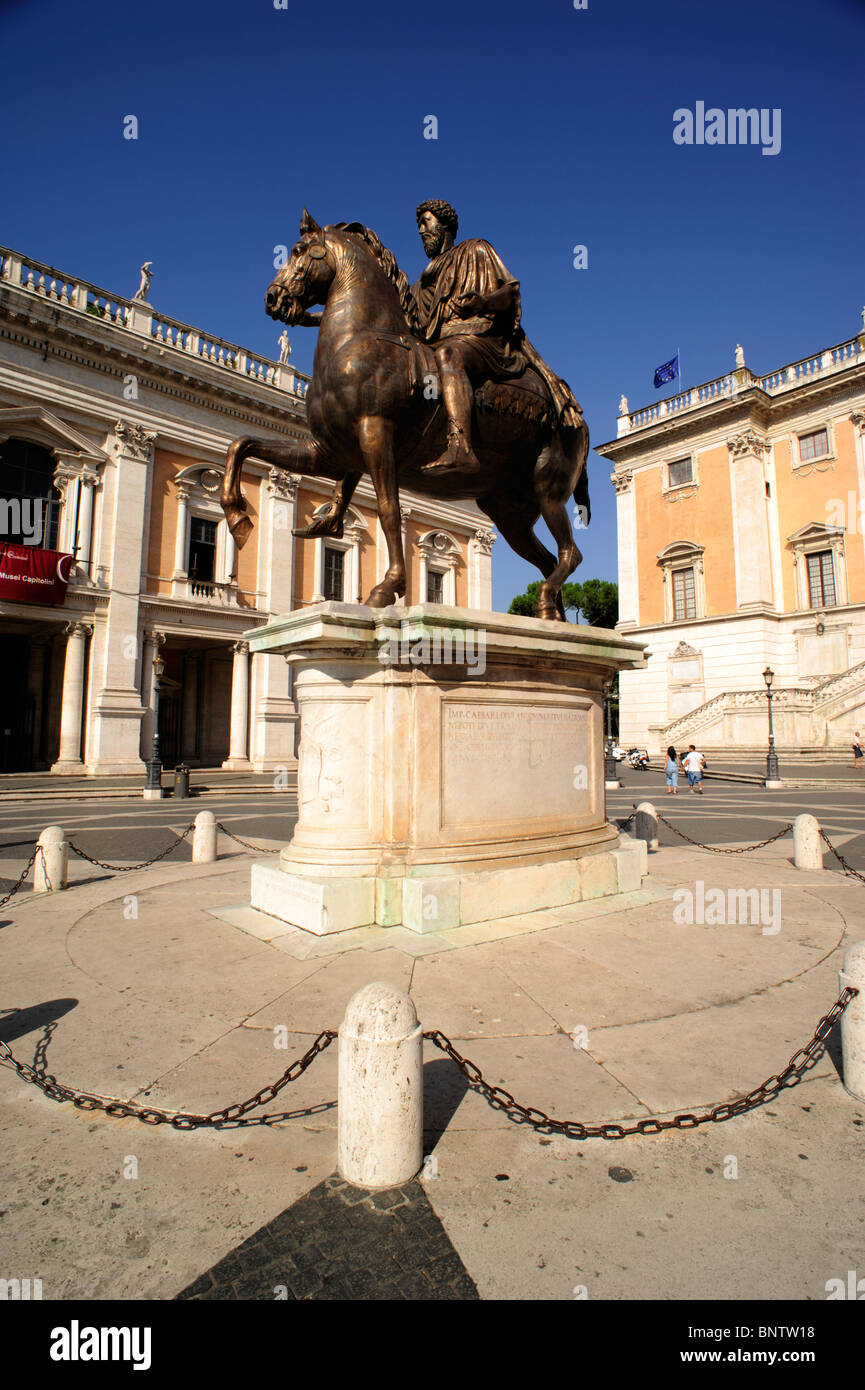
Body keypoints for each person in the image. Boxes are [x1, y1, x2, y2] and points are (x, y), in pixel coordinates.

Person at [411, 198, 582, 476]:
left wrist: (482, 303)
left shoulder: (476, 250)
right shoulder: (420, 284)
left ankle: (460, 445)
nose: (420, 230)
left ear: (444, 225)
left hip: (480, 342)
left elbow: (509, 294)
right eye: (419, 224)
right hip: (438, 343)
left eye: (425, 222)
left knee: (448, 355)